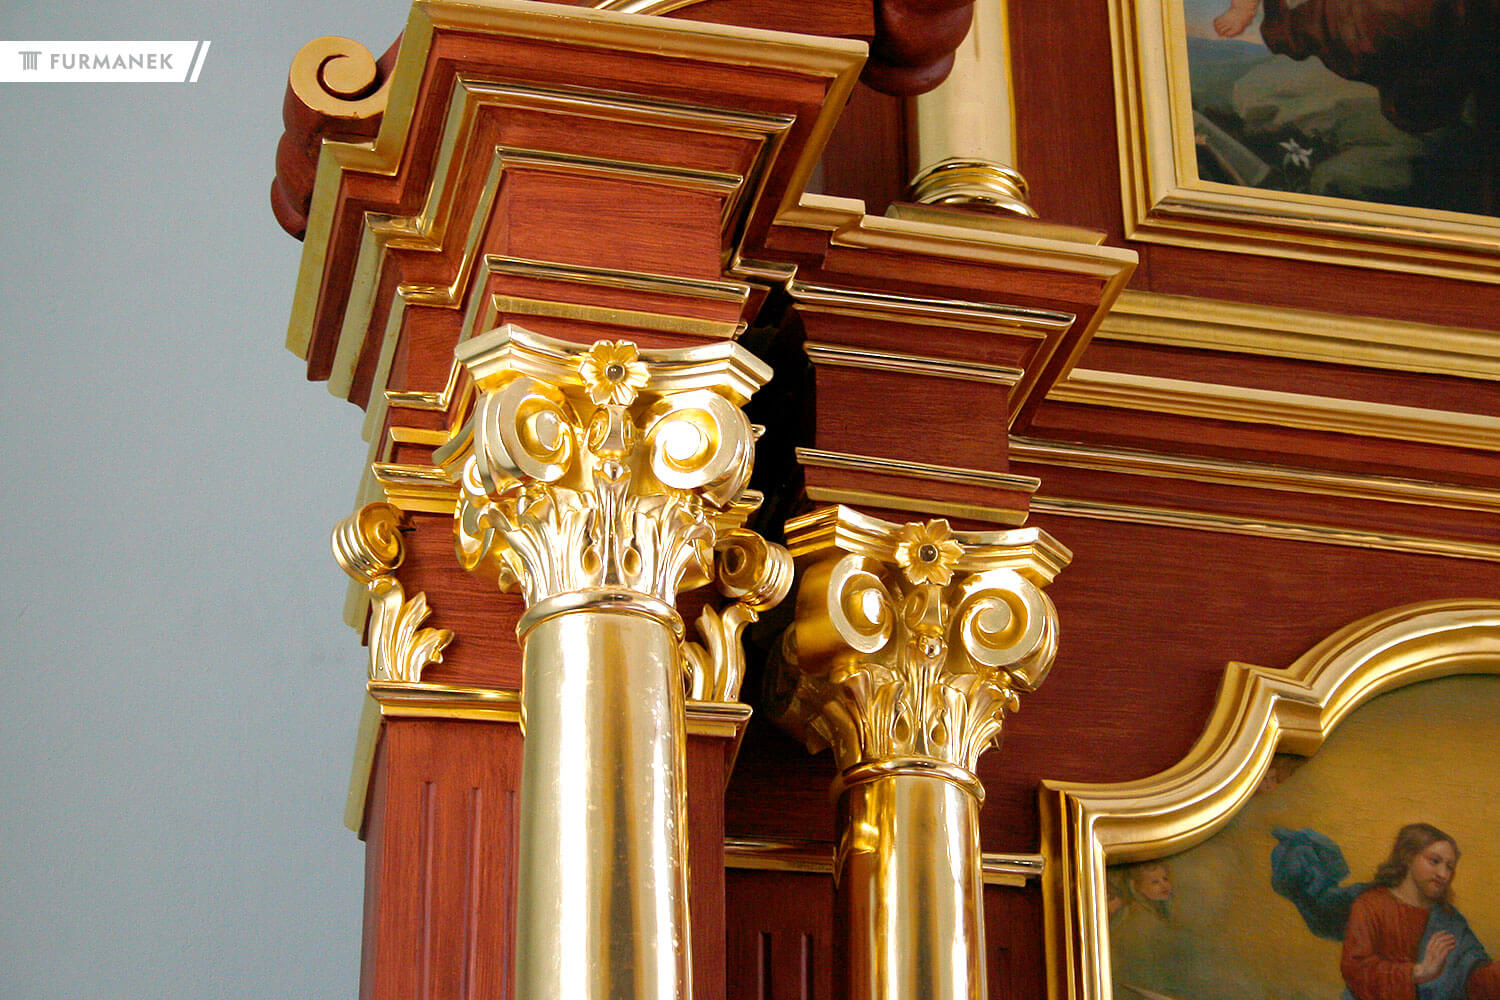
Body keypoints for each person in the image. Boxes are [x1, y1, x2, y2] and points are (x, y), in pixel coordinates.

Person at [1341, 823, 1500, 1000]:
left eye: (1449, 867)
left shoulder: (1450, 920)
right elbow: (1356, 971)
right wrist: (1417, 973)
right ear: (1408, 857)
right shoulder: (1370, 905)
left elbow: (1474, 974)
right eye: (1435, 861)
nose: (1443, 874)